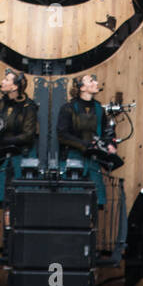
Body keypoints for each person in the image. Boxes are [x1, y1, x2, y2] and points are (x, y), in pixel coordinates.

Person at [57, 74, 122, 206]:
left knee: (96, 201)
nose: (96, 83)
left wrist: (110, 144)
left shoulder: (99, 108)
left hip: (93, 160)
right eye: (91, 81)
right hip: (73, 160)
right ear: (82, 88)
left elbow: (106, 132)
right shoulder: (68, 108)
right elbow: (62, 135)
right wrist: (84, 145)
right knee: (71, 201)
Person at [0, 69, 38, 201]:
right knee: (4, 201)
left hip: (21, 158)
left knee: (20, 200)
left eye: (6, 80)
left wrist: (0, 139)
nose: (2, 82)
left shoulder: (29, 106)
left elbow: (28, 135)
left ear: (15, 86)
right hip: (3, 158)